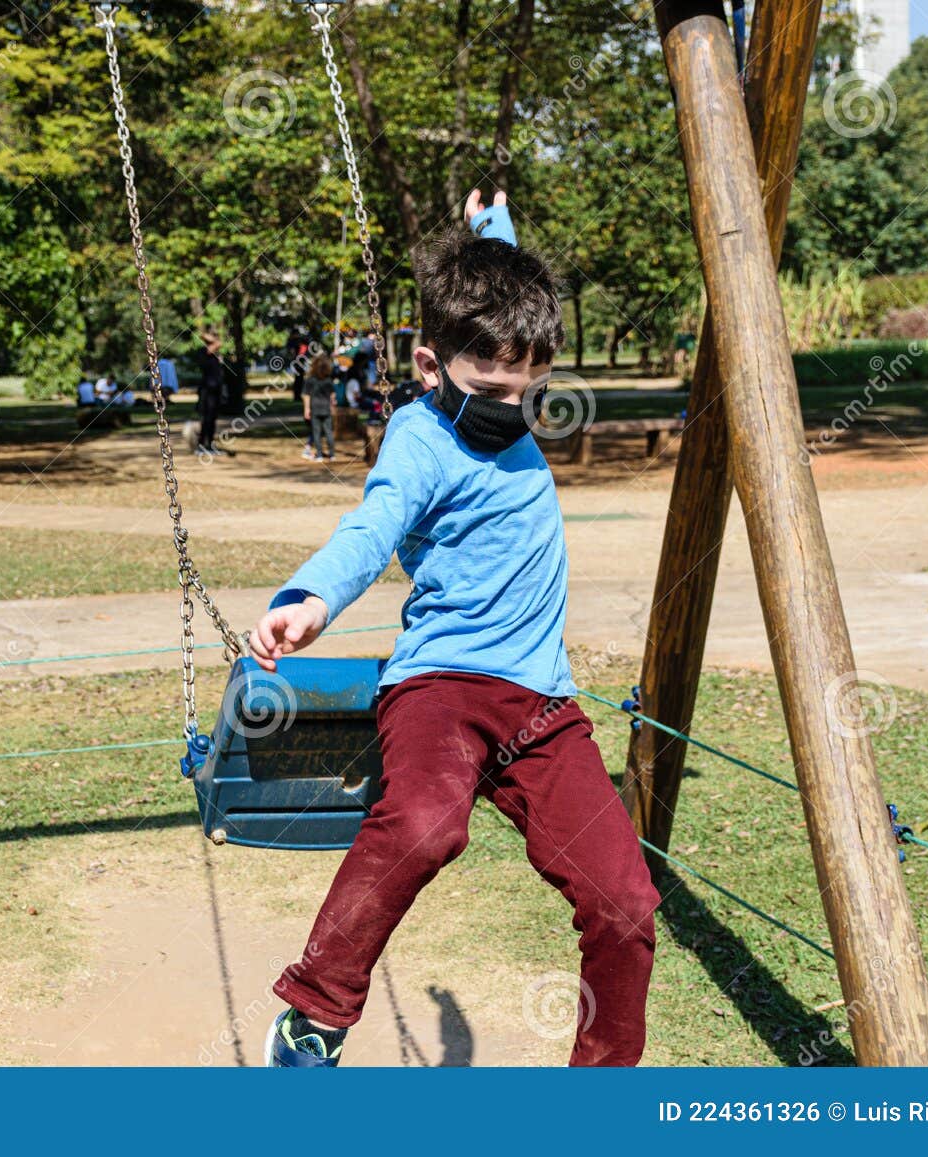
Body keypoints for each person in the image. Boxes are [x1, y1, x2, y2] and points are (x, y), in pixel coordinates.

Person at [251, 189, 659, 1069]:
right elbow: (373, 527)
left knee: (627, 906)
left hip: (542, 703)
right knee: (431, 823)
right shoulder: (418, 437)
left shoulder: (498, 357)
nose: (512, 408)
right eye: (491, 391)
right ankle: (313, 1012)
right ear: (431, 367)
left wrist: (493, 232)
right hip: (440, 688)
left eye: (530, 392)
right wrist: (313, 598)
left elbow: (497, 294)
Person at [301, 351, 336, 462]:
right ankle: (332, 455)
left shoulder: (310, 380)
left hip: (315, 408)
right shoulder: (329, 380)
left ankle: (319, 455)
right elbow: (332, 395)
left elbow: (306, 395)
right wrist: (332, 405)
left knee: (316, 432)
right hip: (326, 408)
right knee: (328, 431)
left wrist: (306, 409)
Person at [196, 328, 225, 455]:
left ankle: (210, 444)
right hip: (207, 390)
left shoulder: (215, 355)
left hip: (216, 389)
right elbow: (217, 342)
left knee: (212, 418)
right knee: (206, 418)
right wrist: (214, 339)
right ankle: (202, 444)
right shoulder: (204, 352)